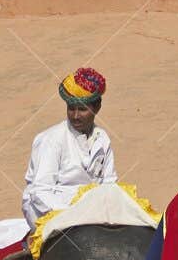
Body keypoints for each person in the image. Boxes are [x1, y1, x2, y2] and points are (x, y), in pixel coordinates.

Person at [21, 67, 116, 228]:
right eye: (71, 109)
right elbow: (40, 192)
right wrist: (75, 214)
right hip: (50, 212)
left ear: (97, 107)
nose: (76, 116)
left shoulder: (103, 139)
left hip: (93, 212)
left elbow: (110, 183)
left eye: (82, 109)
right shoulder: (51, 140)